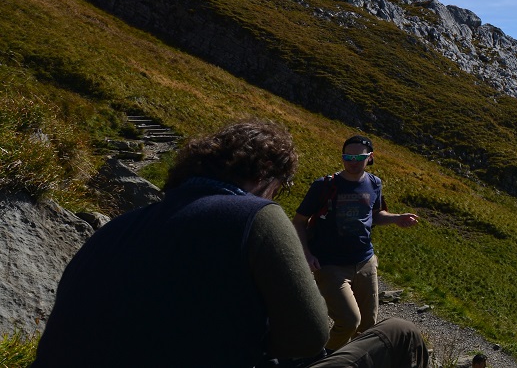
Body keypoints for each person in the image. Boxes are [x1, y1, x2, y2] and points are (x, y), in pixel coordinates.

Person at [33, 119, 428, 368]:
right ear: (266, 178)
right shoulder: (255, 215)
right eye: (280, 188)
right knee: (400, 333)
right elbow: (309, 336)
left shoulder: (115, 230)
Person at [294, 133, 421, 350]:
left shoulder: (374, 183)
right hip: (330, 264)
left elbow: (376, 215)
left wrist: (396, 218)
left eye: (358, 158)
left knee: (367, 326)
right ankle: (321, 359)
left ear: (369, 158)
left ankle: (352, 361)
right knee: (349, 321)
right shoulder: (324, 185)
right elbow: (299, 222)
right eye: (347, 158)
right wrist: (306, 254)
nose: (352, 163)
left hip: (365, 261)